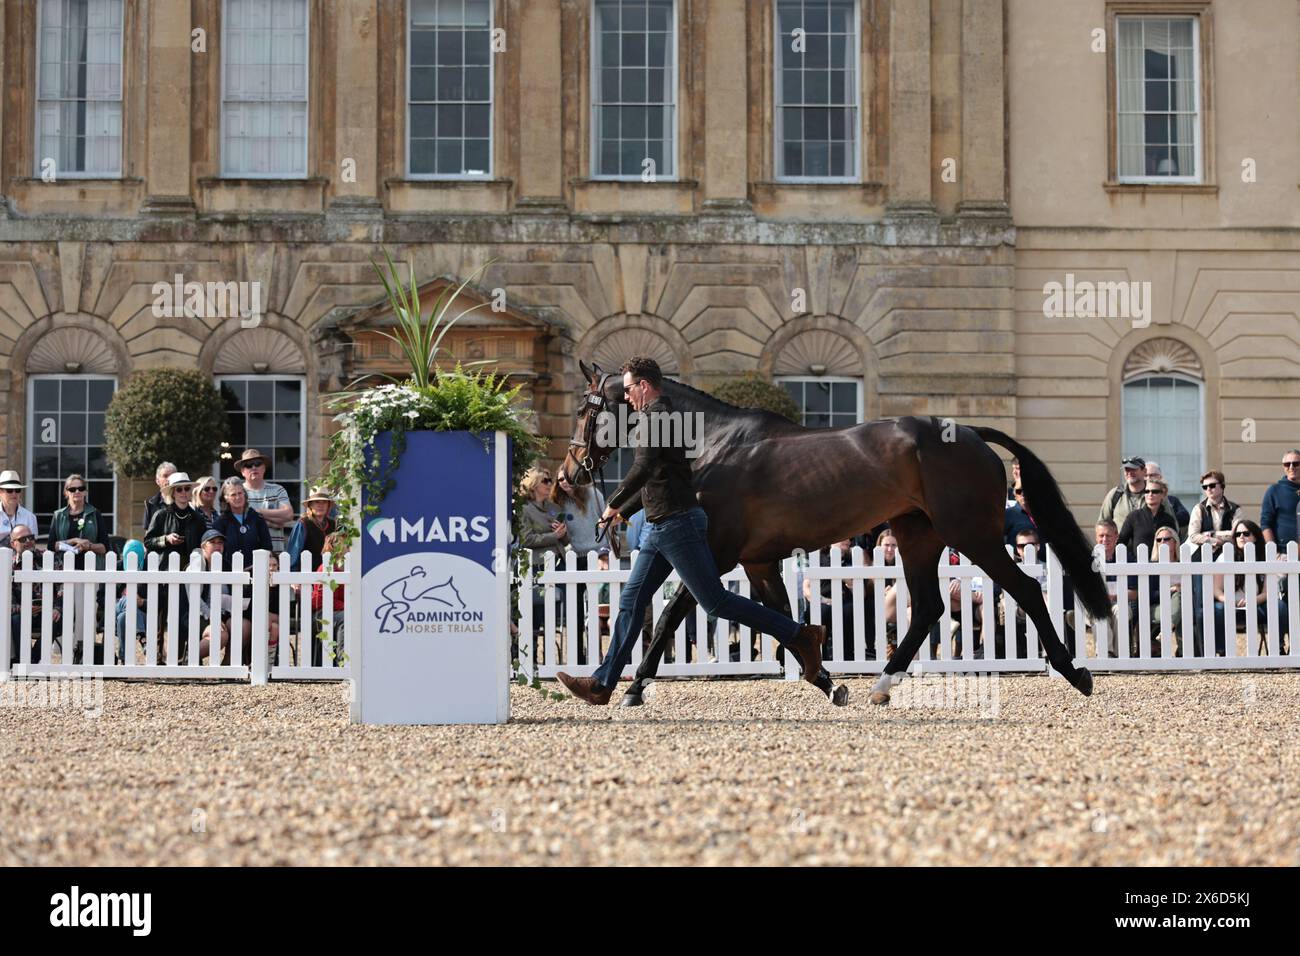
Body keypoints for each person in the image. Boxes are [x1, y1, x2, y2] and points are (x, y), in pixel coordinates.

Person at [556, 356, 826, 705]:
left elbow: (643, 468)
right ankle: (602, 684)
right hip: (660, 524)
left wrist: (613, 503)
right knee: (631, 602)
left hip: (677, 522)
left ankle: (801, 636)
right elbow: (657, 478)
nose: (626, 398)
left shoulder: (658, 417)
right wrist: (622, 513)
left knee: (714, 602)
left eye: (628, 390)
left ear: (644, 385)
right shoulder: (661, 417)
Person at [1213, 519, 1289, 656]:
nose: (1241, 537)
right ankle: (1222, 651)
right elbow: (1216, 590)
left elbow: (1268, 592)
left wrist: (1252, 600)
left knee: (1280, 606)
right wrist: (1228, 600)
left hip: (1257, 604)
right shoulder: (1225, 557)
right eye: (1237, 534)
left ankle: (1278, 647)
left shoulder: (1264, 557)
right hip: (1230, 605)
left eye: (1246, 533)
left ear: (1255, 536)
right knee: (1218, 609)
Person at [7, 525, 56, 665]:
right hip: (21, 613)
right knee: (15, 619)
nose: (28, 541)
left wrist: (57, 608)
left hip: (47, 612)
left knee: (58, 618)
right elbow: (7, 597)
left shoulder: (49, 558)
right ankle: (23, 659)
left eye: (31, 537)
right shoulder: (8, 565)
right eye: (23, 539)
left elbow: (62, 587)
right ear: (13, 544)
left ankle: (33, 659)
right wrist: (23, 609)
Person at [233, 448, 293, 553]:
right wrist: (274, 522)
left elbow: (288, 514)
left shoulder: (278, 489)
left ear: (264, 468)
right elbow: (236, 522)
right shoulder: (237, 493)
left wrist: (256, 512)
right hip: (246, 555)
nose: (254, 467)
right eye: (248, 465)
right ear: (243, 471)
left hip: (275, 555)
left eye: (257, 463)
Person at [48, 474, 111, 568]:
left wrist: (89, 546)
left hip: (91, 570)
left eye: (81, 488)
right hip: (64, 570)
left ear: (85, 492)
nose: (77, 491)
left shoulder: (95, 513)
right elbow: (51, 546)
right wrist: (73, 540)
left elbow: (105, 547)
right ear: (66, 492)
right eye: (72, 489)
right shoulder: (58, 515)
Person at [1099, 456, 1176, 530]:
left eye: (1133, 469)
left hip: (1151, 543)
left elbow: (1171, 523)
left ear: (1144, 471)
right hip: (1121, 542)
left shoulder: (1156, 492)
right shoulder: (1115, 495)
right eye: (1127, 469)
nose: (1130, 473)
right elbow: (1102, 523)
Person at [213, 477, 273, 570]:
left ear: (244, 494)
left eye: (240, 493)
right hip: (229, 574)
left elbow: (267, 547)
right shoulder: (220, 522)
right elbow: (216, 550)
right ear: (226, 498)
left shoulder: (257, 519)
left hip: (256, 573)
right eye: (233, 495)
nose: (237, 497)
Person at [1118, 478, 1178, 556]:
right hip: (1138, 565)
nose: (1150, 494)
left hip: (1163, 565)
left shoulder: (1168, 519)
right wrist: (1131, 560)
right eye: (1146, 491)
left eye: (1155, 491)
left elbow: (1175, 544)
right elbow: (1121, 542)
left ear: (1163, 494)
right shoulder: (1134, 517)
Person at [285, 486, 338, 570]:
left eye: (324, 502)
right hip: (306, 576)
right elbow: (293, 554)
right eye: (317, 502)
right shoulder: (303, 524)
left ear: (328, 505)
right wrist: (294, 578)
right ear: (310, 505)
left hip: (329, 575)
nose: (321, 505)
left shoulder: (334, 524)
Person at [1260, 450, 1300, 548]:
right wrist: (1274, 552)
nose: (1291, 467)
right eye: (1287, 464)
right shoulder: (1274, 491)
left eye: (1296, 463)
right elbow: (1265, 524)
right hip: (1284, 553)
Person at [1144, 461, 1190, 537]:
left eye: (1152, 475)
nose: (1148, 478)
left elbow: (1185, 517)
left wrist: (1165, 517)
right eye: (1145, 475)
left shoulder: (1172, 500)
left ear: (1160, 477)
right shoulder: (1135, 499)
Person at [0, 471, 40, 539]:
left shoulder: (30, 518)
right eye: (9, 490)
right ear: (0, 492)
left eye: (17, 490)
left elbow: (32, 545)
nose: (14, 494)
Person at [143, 461, 176, 533]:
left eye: (172, 476)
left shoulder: (185, 501)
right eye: (165, 476)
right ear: (157, 481)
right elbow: (148, 535)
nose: (169, 479)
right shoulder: (150, 504)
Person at [1003, 479, 1036, 546]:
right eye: (1019, 491)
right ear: (1015, 495)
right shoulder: (1008, 514)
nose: (1023, 494)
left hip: (1047, 556)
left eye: (1026, 490)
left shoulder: (1045, 514)